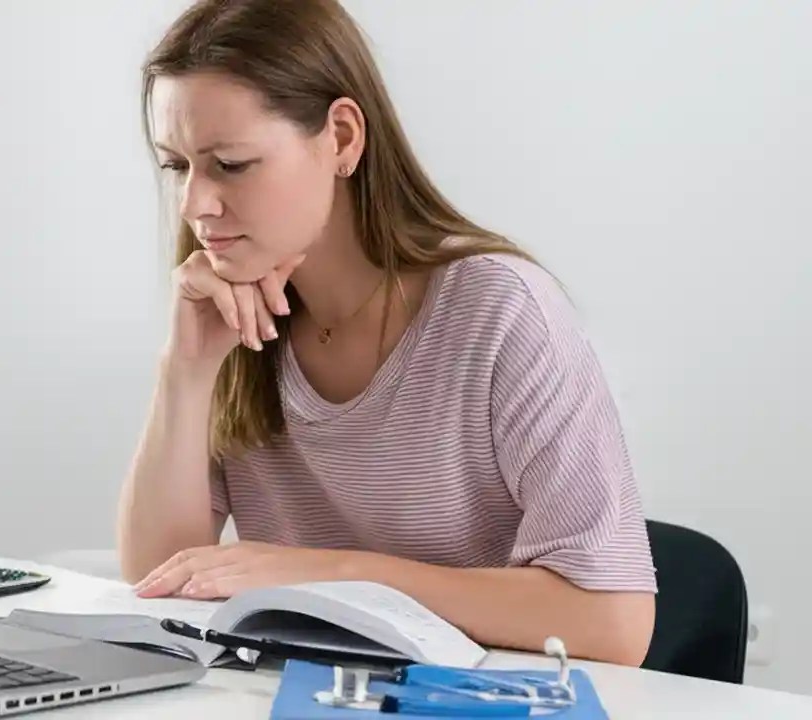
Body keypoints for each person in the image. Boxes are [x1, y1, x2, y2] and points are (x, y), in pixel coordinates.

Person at [116, 0, 657, 667]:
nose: (196, 204)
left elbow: (612, 622)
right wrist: (187, 367)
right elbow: (163, 578)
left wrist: (334, 575)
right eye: (177, 167)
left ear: (342, 139)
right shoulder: (237, 313)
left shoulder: (500, 312)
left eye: (230, 164)